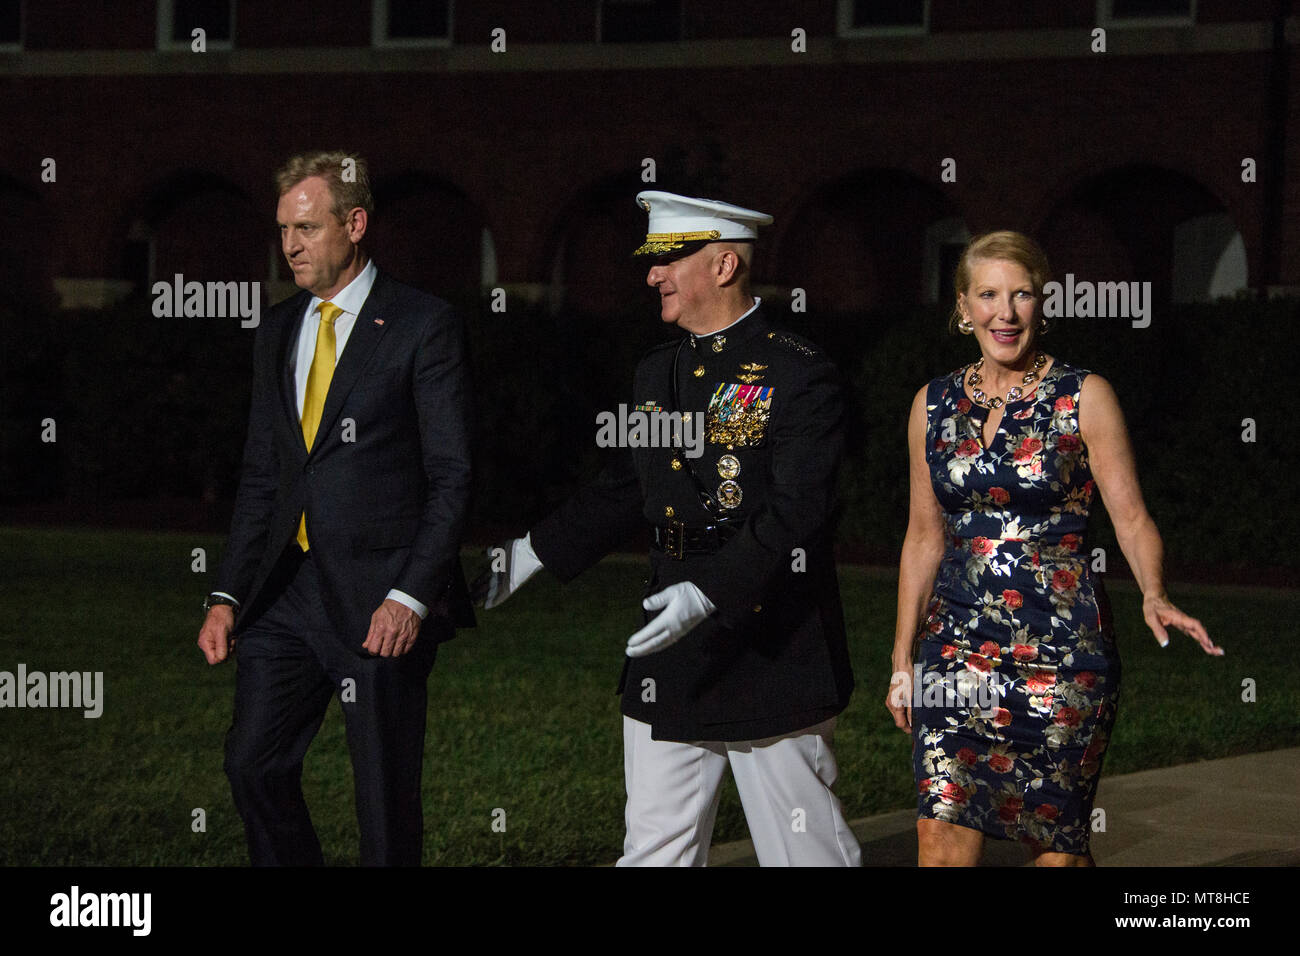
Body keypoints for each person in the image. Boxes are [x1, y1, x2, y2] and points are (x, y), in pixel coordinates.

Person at [476, 191, 860, 866]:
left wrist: (710, 592)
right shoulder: (660, 370)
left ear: (724, 264)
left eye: (670, 260)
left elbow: (799, 513)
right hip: (672, 648)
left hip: (770, 644)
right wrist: (532, 552)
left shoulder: (799, 373)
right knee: (654, 851)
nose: (653, 275)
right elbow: (631, 485)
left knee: (805, 854)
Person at [886, 230, 1223, 866]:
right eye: (988, 295)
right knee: (940, 830)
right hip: (953, 647)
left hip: (1062, 652)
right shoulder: (930, 405)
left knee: (1054, 842)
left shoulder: (1083, 396)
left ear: (1044, 304)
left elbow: (1131, 518)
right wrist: (903, 656)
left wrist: (1153, 590)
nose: (1004, 313)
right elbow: (924, 536)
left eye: (1021, 296)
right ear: (962, 307)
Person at [195, 150, 474, 866]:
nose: (290, 245)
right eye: (285, 228)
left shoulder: (422, 324)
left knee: (383, 799)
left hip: (380, 601)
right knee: (251, 764)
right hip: (283, 595)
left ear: (355, 224)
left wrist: (410, 596)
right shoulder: (279, 329)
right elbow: (263, 472)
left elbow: (452, 475)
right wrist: (227, 593)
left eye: (308, 228)